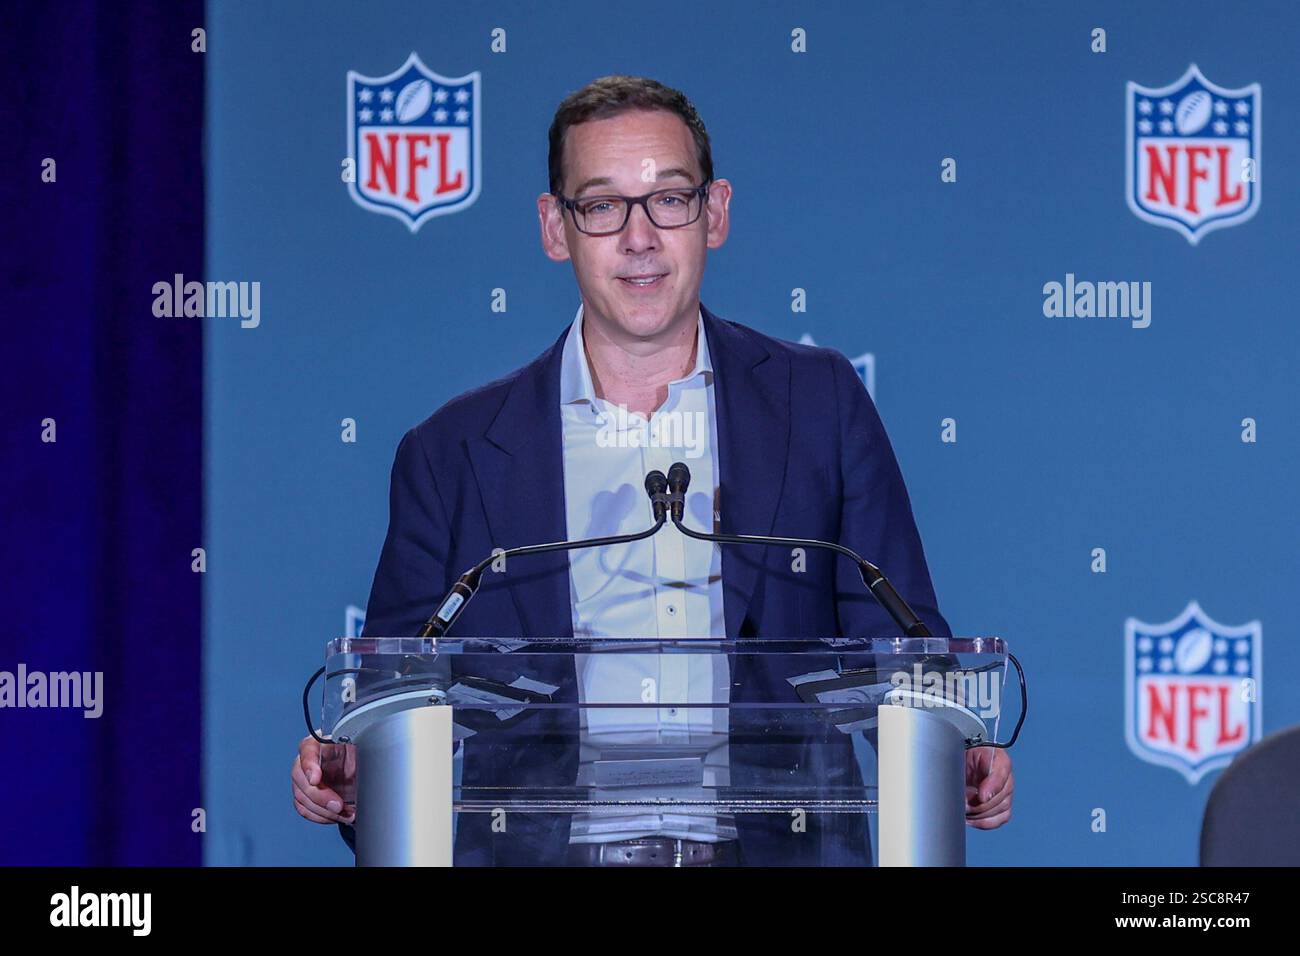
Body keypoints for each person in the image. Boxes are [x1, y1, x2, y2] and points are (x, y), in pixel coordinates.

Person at [292, 75, 1013, 865]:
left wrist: (956, 751)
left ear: (717, 213)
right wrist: (351, 774)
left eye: (670, 198)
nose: (640, 237)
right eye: (602, 206)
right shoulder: (451, 453)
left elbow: (905, 647)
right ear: (554, 228)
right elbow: (393, 699)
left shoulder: (821, 404)